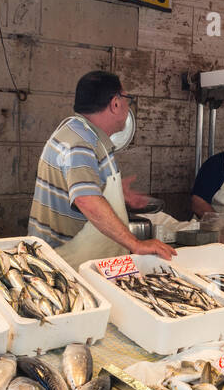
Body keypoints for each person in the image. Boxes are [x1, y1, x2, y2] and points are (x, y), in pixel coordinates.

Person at [28, 70, 175, 264]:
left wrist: (115, 192)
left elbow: (80, 186)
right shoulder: (80, 142)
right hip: (68, 263)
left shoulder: (85, 134)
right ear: (115, 103)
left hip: (83, 260)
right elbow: (87, 200)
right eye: (127, 99)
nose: (127, 105)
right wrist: (136, 244)